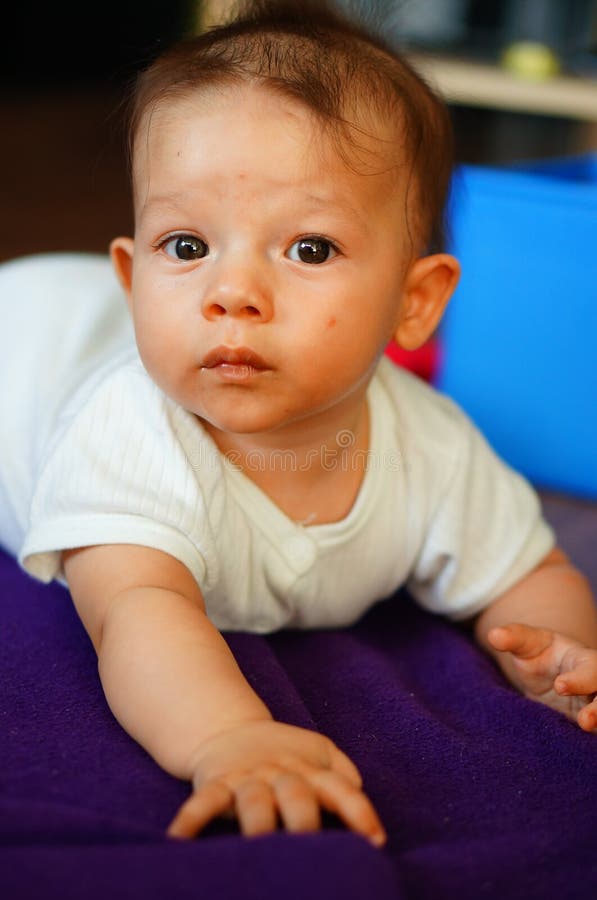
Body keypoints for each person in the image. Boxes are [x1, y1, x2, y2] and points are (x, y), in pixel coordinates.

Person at [1, 0, 596, 850]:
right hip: (25, 337)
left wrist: (564, 656)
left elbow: (527, 569)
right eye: (185, 246)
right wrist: (228, 736)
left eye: (308, 248)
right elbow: (136, 612)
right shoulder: (129, 431)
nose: (231, 292)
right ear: (133, 282)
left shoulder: (429, 446)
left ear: (414, 301)